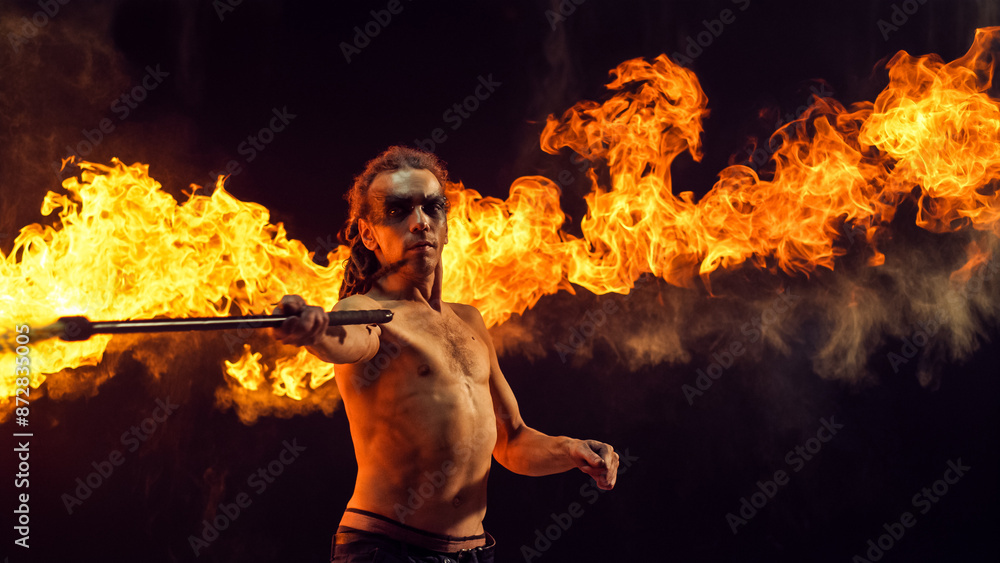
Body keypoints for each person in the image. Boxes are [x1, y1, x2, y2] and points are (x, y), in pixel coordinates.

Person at [274, 146, 620, 563]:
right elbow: (344, 340)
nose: (420, 223)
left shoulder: (470, 322)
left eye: (432, 208)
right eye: (398, 210)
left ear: (446, 225)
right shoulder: (366, 312)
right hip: (388, 550)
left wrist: (569, 450)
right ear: (368, 234)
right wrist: (313, 332)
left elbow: (511, 441)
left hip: (472, 553)